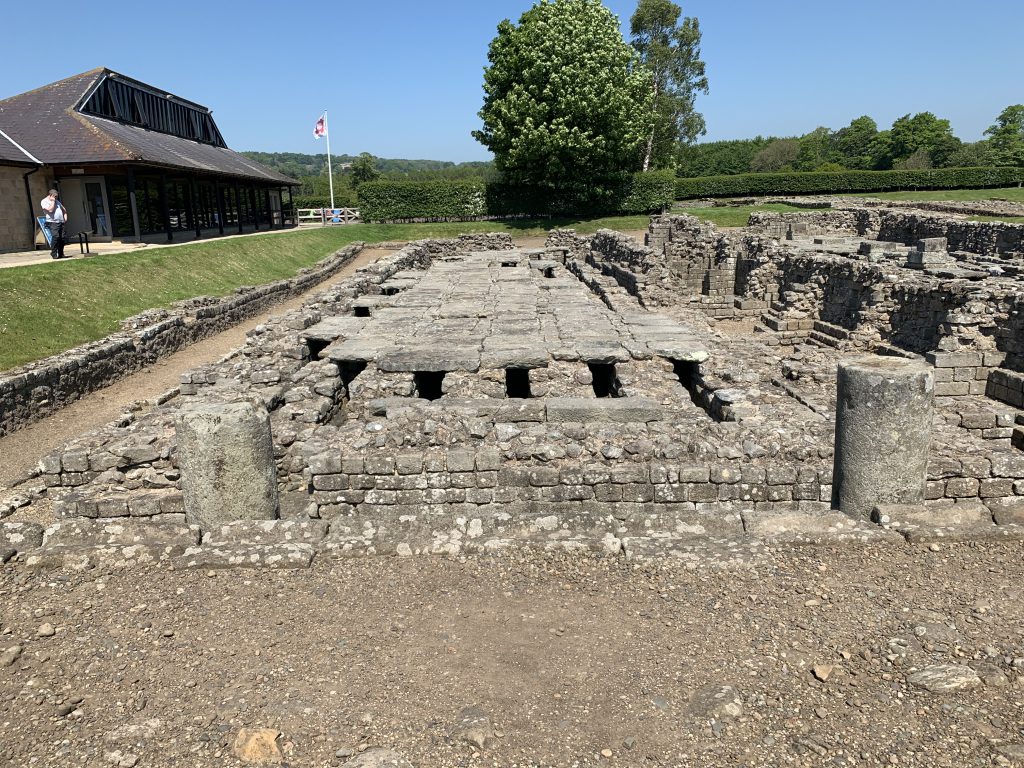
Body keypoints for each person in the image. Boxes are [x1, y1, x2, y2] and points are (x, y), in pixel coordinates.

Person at [40, 188, 68, 259]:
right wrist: (52, 201)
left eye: (56, 196)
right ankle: (54, 253)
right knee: (56, 237)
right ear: (50, 195)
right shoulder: (44, 201)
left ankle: (61, 253)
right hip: (52, 222)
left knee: (62, 238)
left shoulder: (57, 201)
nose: (56, 198)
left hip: (61, 222)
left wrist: (65, 218)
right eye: (54, 196)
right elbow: (50, 210)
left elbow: (64, 210)